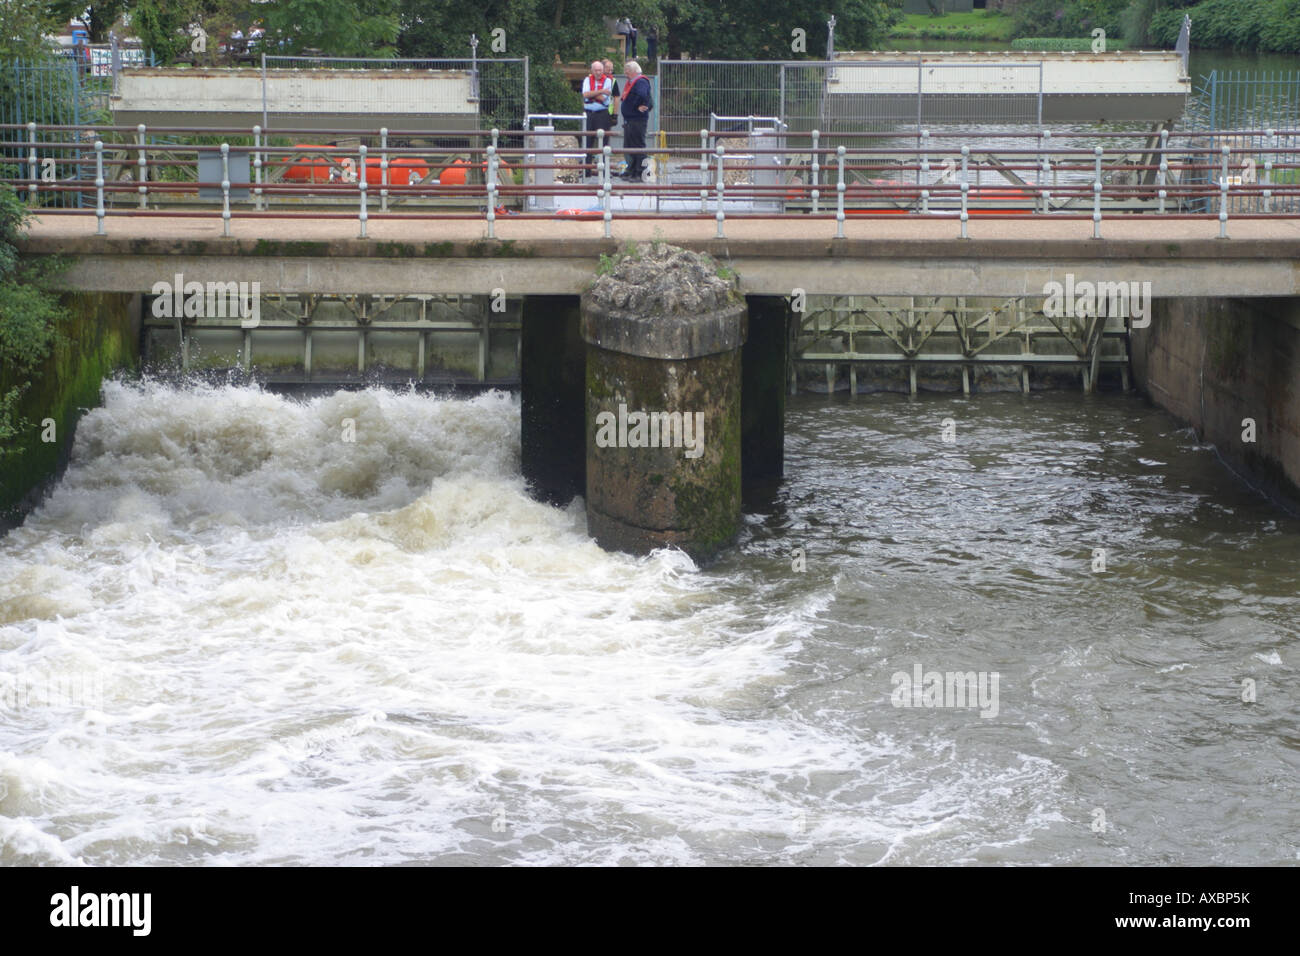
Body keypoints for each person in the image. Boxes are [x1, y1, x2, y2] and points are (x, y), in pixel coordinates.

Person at [619, 60, 652, 181]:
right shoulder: (633, 82)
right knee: (630, 146)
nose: (625, 74)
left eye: (627, 72)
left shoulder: (641, 82)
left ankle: (641, 172)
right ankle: (632, 170)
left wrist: (635, 107)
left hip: (637, 119)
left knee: (638, 146)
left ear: (633, 72)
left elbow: (642, 95)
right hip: (630, 119)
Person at [580, 60, 614, 175]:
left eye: (600, 70)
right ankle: (586, 170)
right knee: (587, 141)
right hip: (589, 113)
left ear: (603, 70)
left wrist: (592, 93)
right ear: (592, 71)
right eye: (596, 70)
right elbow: (585, 94)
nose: (598, 72)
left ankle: (604, 170)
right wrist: (600, 91)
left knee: (604, 142)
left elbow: (603, 98)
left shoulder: (608, 81)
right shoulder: (586, 80)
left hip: (602, 114)